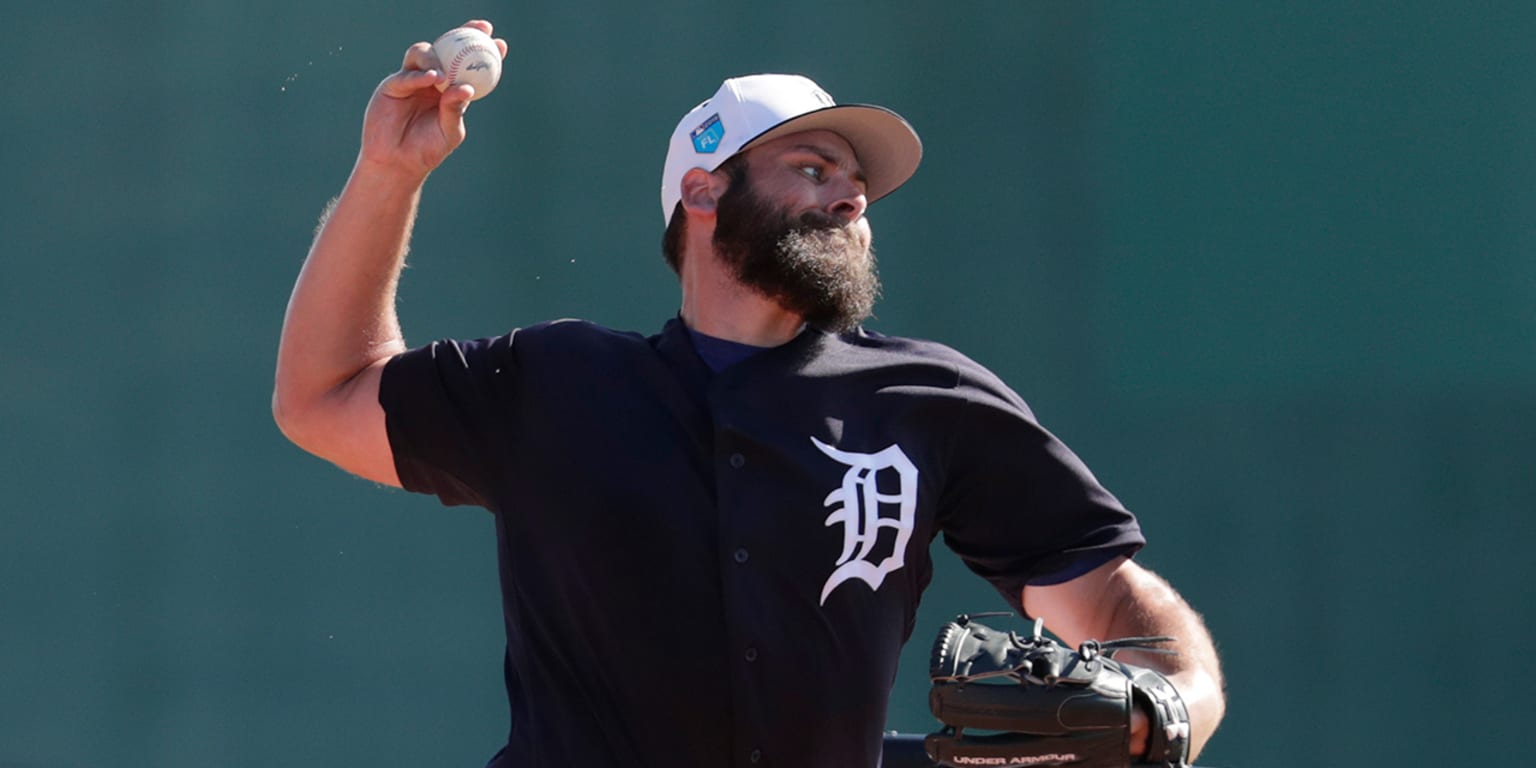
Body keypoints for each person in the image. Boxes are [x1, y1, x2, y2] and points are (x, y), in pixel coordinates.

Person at [273, 19, 1225, 768]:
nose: (850, 198)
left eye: (856, 186)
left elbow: (1106, 595)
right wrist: (389, 174)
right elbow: (324, 395)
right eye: (811, 169)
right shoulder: (559, 382)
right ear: (702, 191)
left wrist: (1169, 699)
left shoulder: (926, 399)